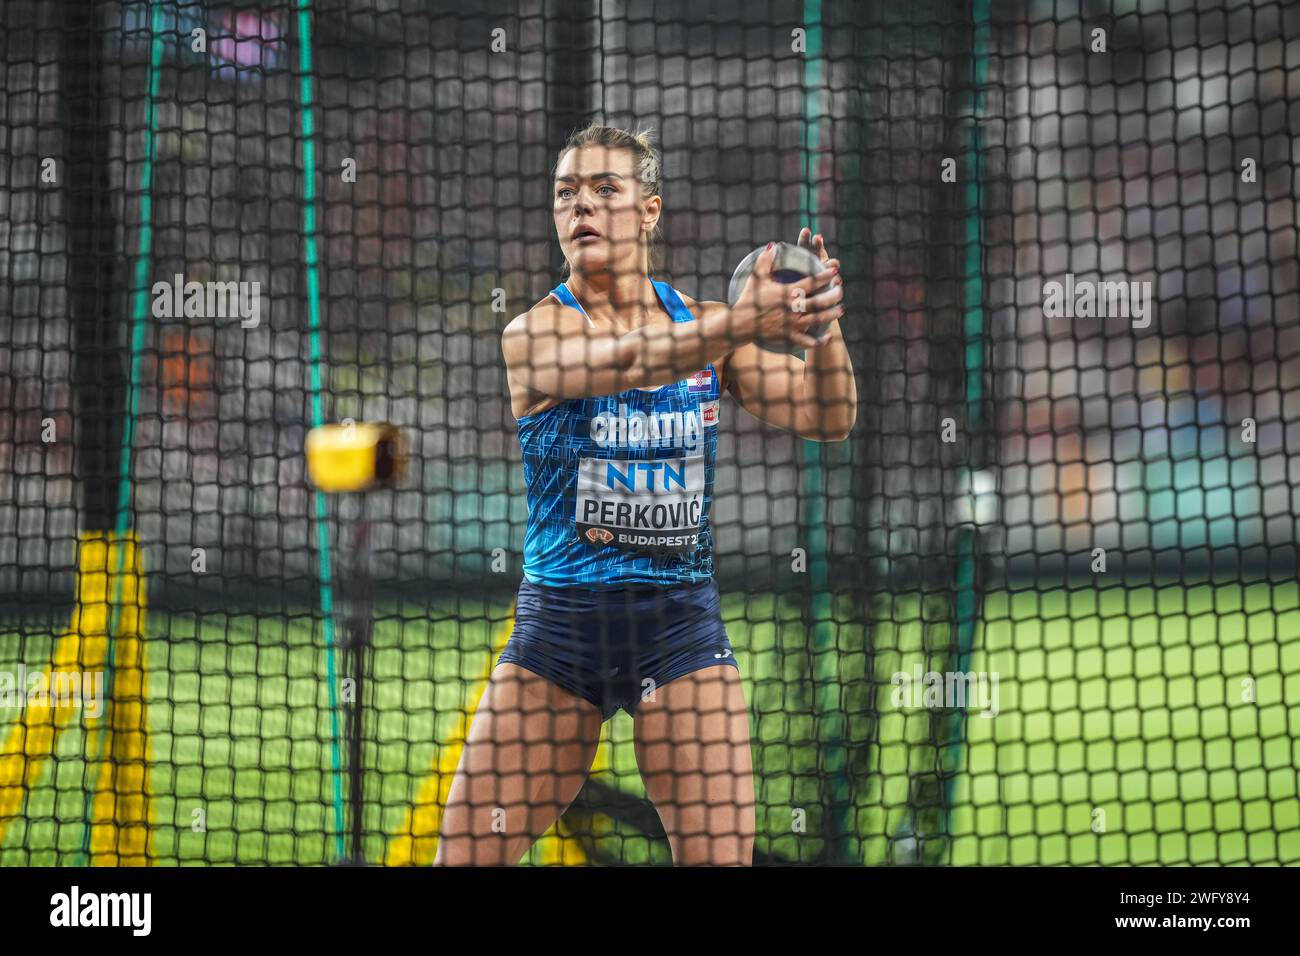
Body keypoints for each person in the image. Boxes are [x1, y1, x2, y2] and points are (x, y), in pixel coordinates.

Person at [434, 124, 856, 865]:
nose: (581, 207)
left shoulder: (705, 327)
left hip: (679, 627)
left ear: (649, 211)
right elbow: (629, 360)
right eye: (566, 193)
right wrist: (746, 322)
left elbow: (830, 416)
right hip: (562, 633)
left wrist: (821, 326)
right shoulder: (533, 334)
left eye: (605, 190)